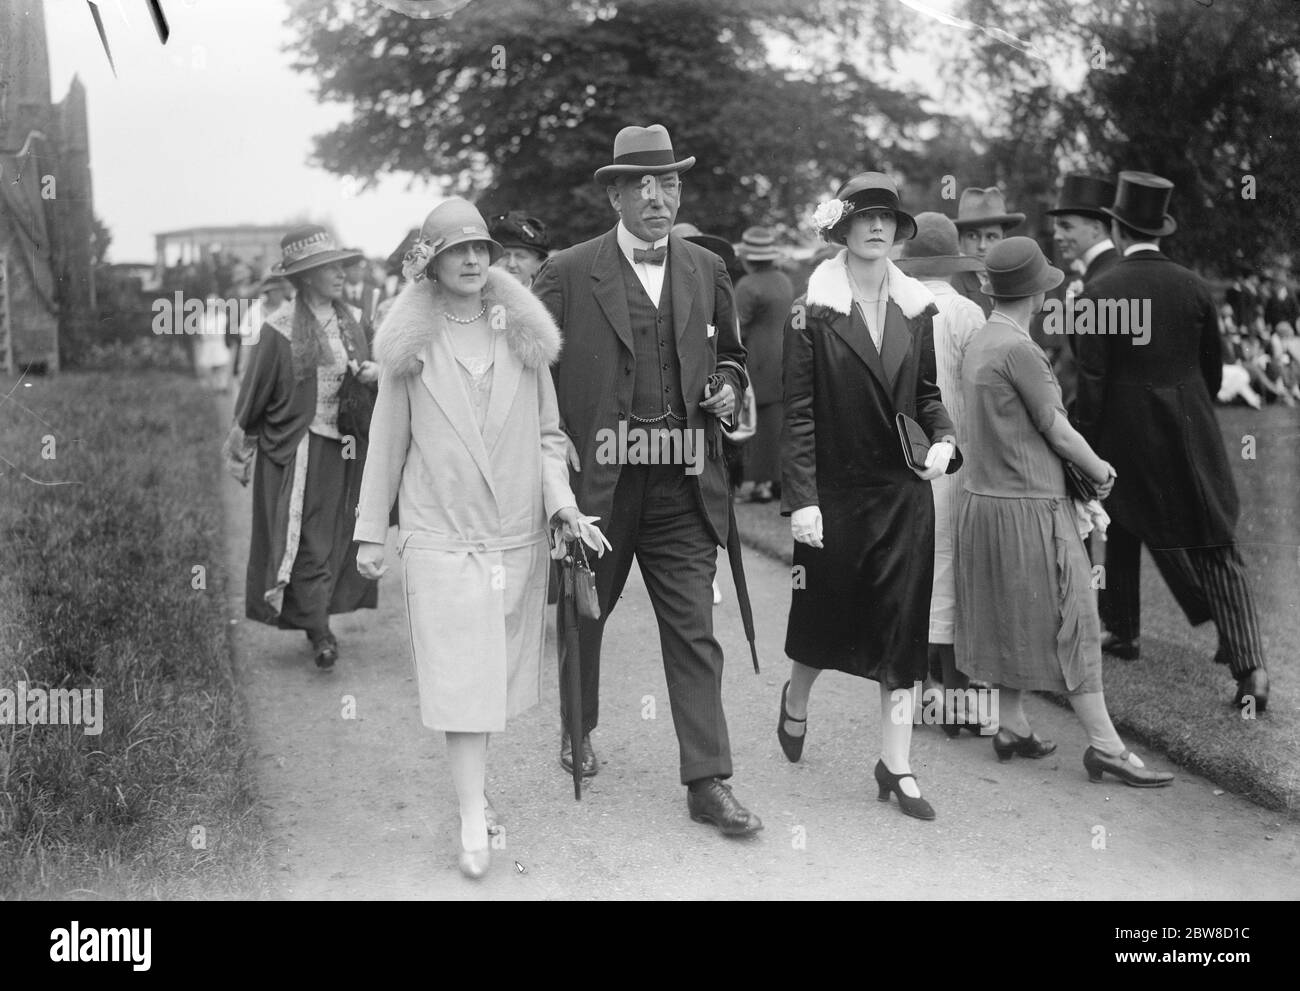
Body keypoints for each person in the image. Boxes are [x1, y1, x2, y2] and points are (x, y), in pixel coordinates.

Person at [353, 198, 605, 880]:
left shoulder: (519, 336)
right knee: (461, 683)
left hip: (512, 540)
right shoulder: (412, 346)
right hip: (440, 537)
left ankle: (475, 790)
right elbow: (386, 444)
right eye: (455, 249)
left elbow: (550, 437)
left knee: (485, 684)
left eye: (479, 249)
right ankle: (471, 814)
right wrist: (370, 532)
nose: (471, 259)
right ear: (429, 262)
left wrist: (564, 506)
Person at [533, 123, 762, 836]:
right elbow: (533, 374)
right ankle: (579, 726)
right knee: (585, 614)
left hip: (684, 482)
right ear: (615, 194)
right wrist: (554, 474)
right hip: (600, 483)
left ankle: (708, 778)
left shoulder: (706, 268)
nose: (658, 197)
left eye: (668, 183)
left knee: (694, 628)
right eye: (642, 184)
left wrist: (726, 386)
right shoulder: (568, 272)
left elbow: (731, 357)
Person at [955, 236, 1172, 786]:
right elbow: (1057, 427)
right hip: (1030, 506)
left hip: (985, 504)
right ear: (1036, 292)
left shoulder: (981, 342)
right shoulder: (1021, 351)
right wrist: (1101, 469)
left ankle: (1010, 724)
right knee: (1076, 619)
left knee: (1009, 615)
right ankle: (1105, 747)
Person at [778, 173, 962, 821]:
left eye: (889, 218)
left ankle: (897, 763)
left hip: (904, 492)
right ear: (843, 230)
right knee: (824, 618)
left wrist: (943, 438)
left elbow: (928, 396)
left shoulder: (918, 308)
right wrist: (801, 497)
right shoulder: (812, 310)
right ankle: (796, 695)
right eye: (866, 218)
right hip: (835, 492)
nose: (879, 227)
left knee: (900, 630)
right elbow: (797, 413)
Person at [1074, 171, 1270, 711]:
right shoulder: (1193, 286)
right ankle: (1251, 668)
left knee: (1123, 529)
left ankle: (1124, 630)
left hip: (1124, 436)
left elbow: (1091, 388)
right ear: (1160, 229)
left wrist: (1082, 445)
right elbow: (1213, 368)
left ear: (1115, 226)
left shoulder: (1099, 291)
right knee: (1212, 539)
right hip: (1190, 428)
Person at [227, 226, 379, 669]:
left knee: (336, 537)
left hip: (346, 445)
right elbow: (255, 392)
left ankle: (317, 618)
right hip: (301, 448)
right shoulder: (278, 329)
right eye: (329, 268)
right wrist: (244, 442)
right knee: (309, 541)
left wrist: (372, 371)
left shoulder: (353, 319)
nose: (340, 274)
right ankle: (320, 631)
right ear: (306, 277)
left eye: (341, 266)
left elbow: (371, 367)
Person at [894, 212, 986, 736]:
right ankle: (956, 695)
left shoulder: (898, 308)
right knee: (953, 570)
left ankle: (923, 689)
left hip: (914, 454)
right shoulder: (967, 313)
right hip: (959, 455)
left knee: (925, 568)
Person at [733, 226, 794, 504]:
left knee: (755, 424)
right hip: (784, 356)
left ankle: (759, 486)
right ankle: (779, 482)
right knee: (777, 423)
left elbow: (736, 327)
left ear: (748, 258)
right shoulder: (784, 281)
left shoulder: (748, 285)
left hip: (756, 359)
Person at [950, 186, 1025, 317]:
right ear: (960, 240)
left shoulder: (1014, 283)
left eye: (991, 237)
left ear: (1003, 240)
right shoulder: (953, 286)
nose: (982, 246)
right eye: (972, 236)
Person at [489, 211, 551, 287]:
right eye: (505, 256)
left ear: (538, 264)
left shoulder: (548, 297)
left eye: (520, 256)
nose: (511, 264)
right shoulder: (476, 297)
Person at [194, 290, 232, 393]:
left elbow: (222, 331)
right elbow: (203, 333)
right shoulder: (203, 317)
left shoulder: (222, 317)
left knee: (222, 364)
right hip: (209, 344)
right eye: (210, 305)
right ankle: (214, 386)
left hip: (219, 342)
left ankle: (222, 385)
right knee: (210, 366)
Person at [342, 252, 384, 329]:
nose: (357, 271)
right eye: (353, 268)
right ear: (345, 270)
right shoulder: (337, 294)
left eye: (360, 268)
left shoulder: (376, 293)